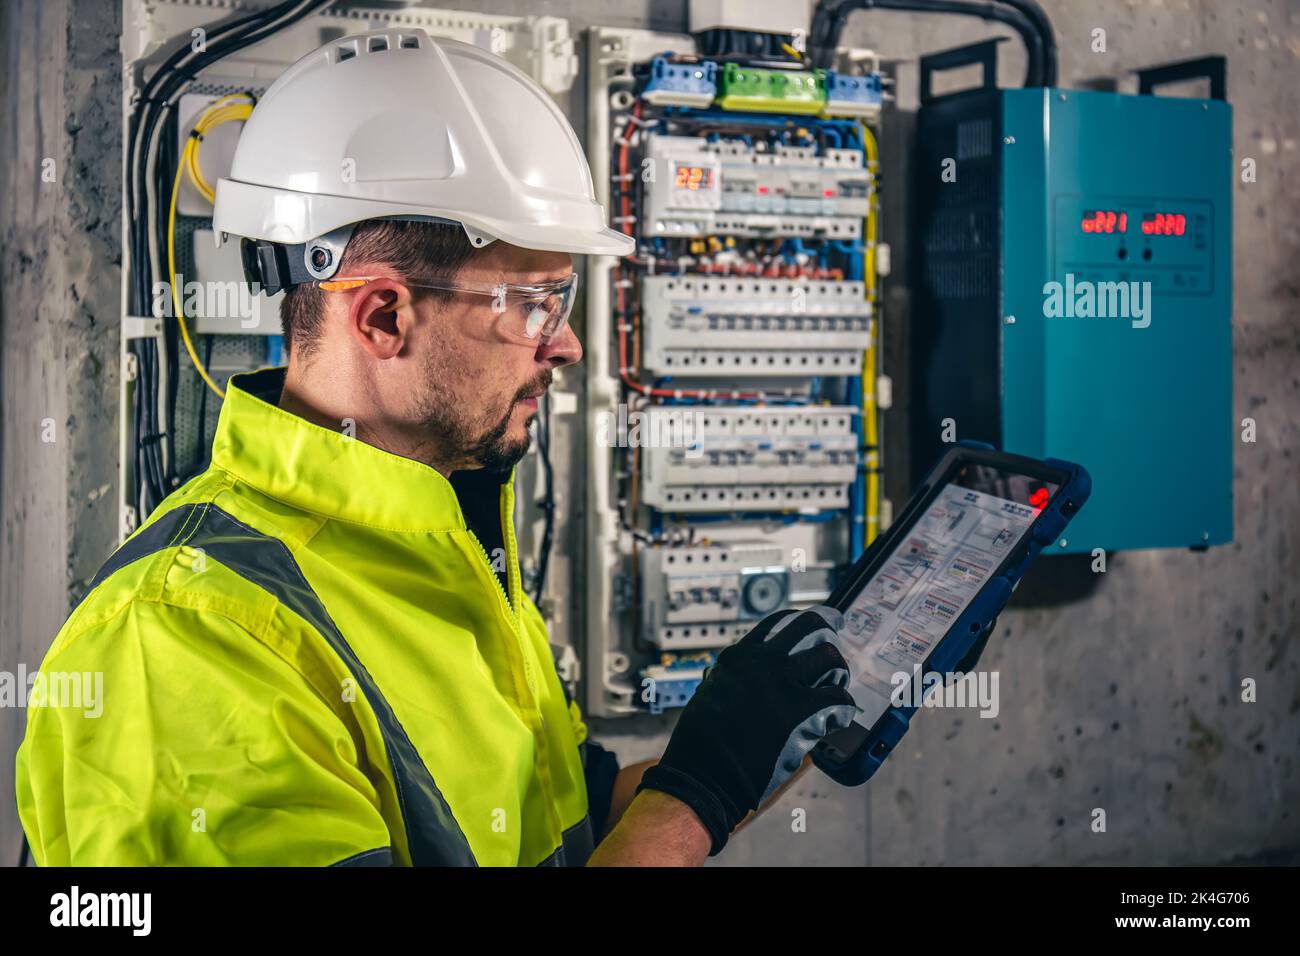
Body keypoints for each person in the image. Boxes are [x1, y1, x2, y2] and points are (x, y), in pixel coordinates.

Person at [15, 28, 858, 866]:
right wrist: (698, 792)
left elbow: (570, 829)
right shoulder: (184, 641)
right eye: (535, 303)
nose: (566, 347)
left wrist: (763, 735)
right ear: (383, 316)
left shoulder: (443, 549)